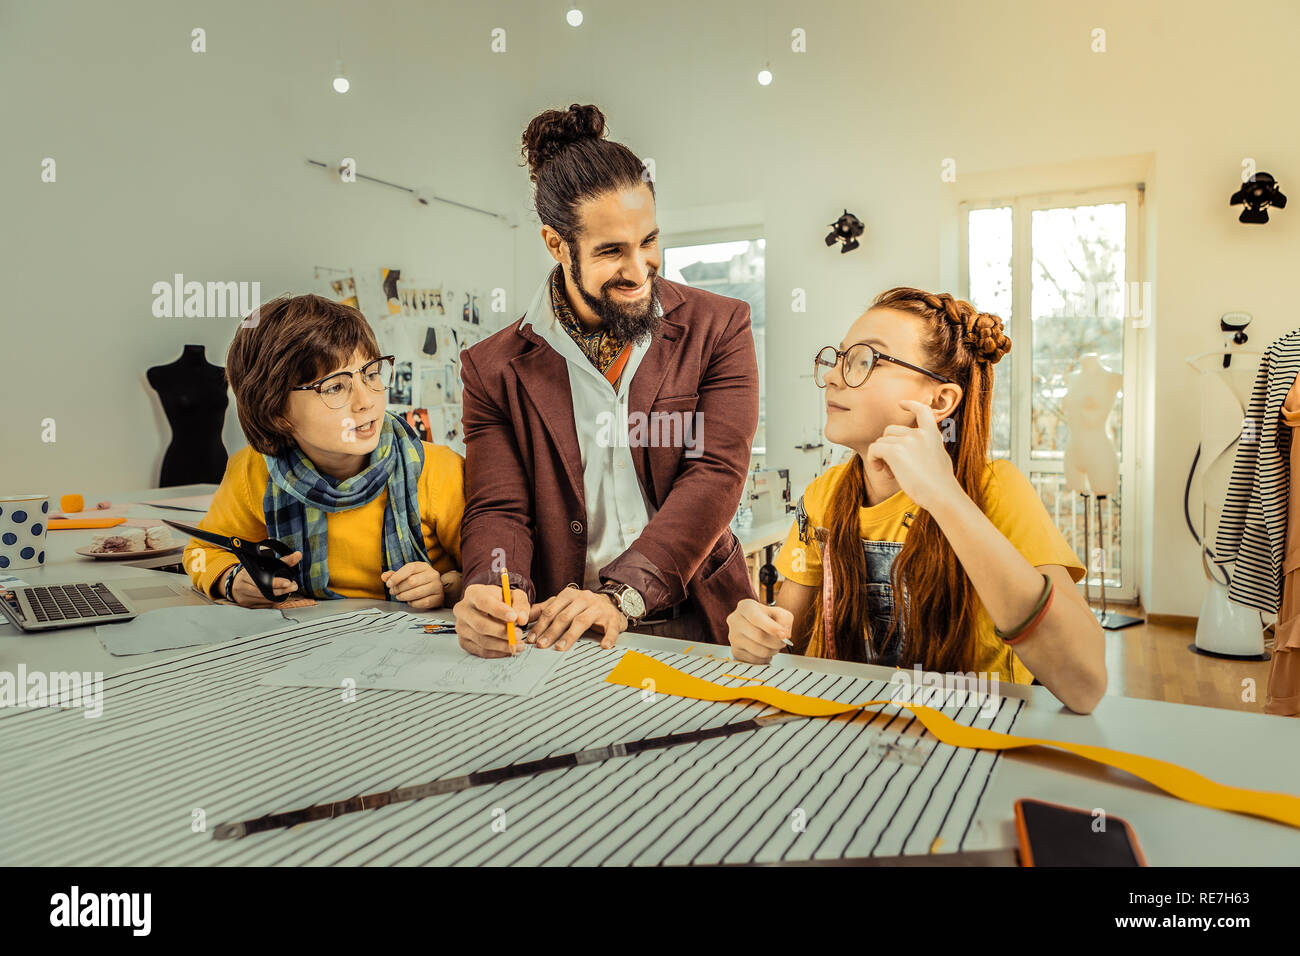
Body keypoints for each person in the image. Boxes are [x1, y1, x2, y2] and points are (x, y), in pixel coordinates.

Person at [453, 103, 759, 658]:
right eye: (612, 251)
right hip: (565, 632)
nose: (640, 271)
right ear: (555, 244)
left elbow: (715, 474)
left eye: (648, 241)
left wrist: (622, 594)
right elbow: (499, 507)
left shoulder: (720, 327)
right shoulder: (491, 368)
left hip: (699, 618)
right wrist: (494, 590)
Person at [725, 288, 1107, 714]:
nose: (834, 376)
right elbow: (790, 638)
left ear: (939, 400)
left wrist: (944, 497)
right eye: (839, 358)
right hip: (844, 737)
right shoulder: (823, 496)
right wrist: (758, 633)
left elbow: (1084, 684)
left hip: (966, 745)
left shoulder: (994, 490)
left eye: (865, 360)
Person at [182, 294, 465, 609]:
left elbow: (498, 572)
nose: (366, 401)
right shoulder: (253, 470)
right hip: (305, 642)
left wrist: (447, 586)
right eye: (334, 387)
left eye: (370, 373)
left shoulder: (438, 470)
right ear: (277, 413)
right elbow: (198, 553)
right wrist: (231, 579)